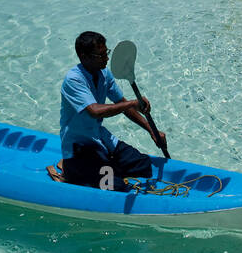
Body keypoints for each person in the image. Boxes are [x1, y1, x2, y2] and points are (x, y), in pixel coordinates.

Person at [57, 31, 165, 190]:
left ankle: (105, 168)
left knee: (144, 166)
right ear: (84, 56)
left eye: (106, 52)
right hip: (79, 149)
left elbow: (122, 104)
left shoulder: (104, 73)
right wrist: (132, 103)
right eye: (100, 55)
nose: (107, 58)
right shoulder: (73, 80)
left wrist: (151, 130)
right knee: (115, 186)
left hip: (101, 138)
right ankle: (74, 172)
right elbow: (95, 111)